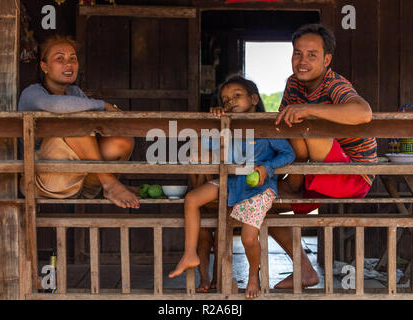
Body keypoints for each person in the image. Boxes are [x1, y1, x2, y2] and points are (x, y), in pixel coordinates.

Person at [269, 23, 377, 289]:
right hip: (315, 171)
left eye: (312, 54)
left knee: (309, 124)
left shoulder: (335, 84)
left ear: (327, 59)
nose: (302, 61)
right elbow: (284, 127)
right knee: (259, 207)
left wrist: (310, 110)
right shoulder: (293, 84)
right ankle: (305, 271)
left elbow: (363, 113)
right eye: (297, 53)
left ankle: (294, 183)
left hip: (353, 174)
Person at [168, 75, 296, 299]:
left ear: (254, 99)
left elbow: (288, 154)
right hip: (231, 181)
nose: (230, 102)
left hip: (259, 188)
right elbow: (203, 150)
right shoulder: (226, 126)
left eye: (237, 96)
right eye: (225, 100)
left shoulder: (267, 125)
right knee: (191, 199)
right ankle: (189, 254)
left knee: (248, 238)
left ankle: (253, 276)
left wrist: (267, 167)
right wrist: (213, 122)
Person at [18, 34, 140, 209]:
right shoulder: (32, 93)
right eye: (59, 59)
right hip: (47, 181)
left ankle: (106, 184)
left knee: (122, 142)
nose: (68, 64)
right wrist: (103, 105)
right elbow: (56, 105)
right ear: (44, 66)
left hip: (82, 181)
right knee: (72, 125)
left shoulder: (75, 93)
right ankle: (110, 183)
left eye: (72, 59)